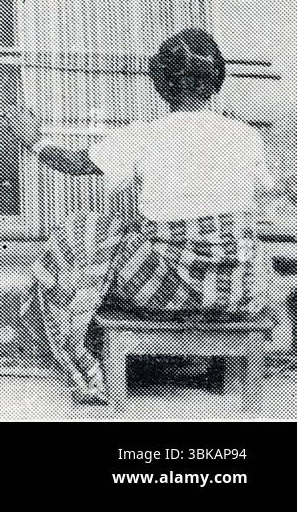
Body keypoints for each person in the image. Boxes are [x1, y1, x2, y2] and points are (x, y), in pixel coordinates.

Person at [20, 28, 283, 404]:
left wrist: (35, 141)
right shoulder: (245, 136)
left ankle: (85, 364)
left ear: (160, 85)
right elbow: (267, 191)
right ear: (216, 85)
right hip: (231, 289)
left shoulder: (145, 135)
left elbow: (76, 164)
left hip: (163, 289)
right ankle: (189, 366)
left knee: (80, 231)